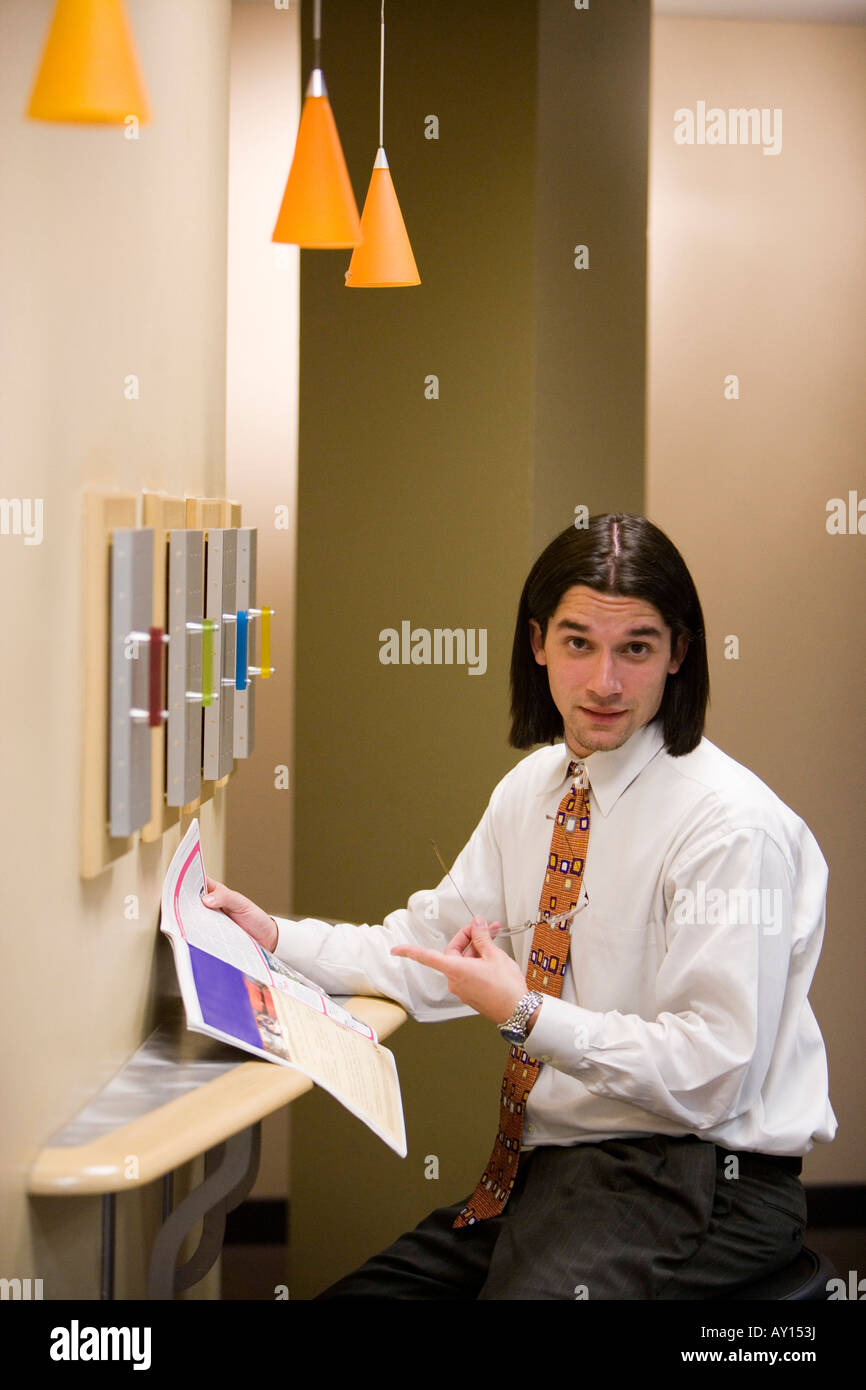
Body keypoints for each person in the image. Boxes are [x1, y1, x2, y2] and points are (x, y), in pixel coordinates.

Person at [203, 513, 836, 1299]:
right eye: (579, 643)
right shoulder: (533, 791)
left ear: (679, 652)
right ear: (537, 643)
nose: (604, 681)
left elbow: (712, 1074)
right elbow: (430, 950)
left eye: (635, 647)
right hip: (557, 1178)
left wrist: (526, 1013)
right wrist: (272, 938)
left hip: (709, 1180)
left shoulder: (730, 828)